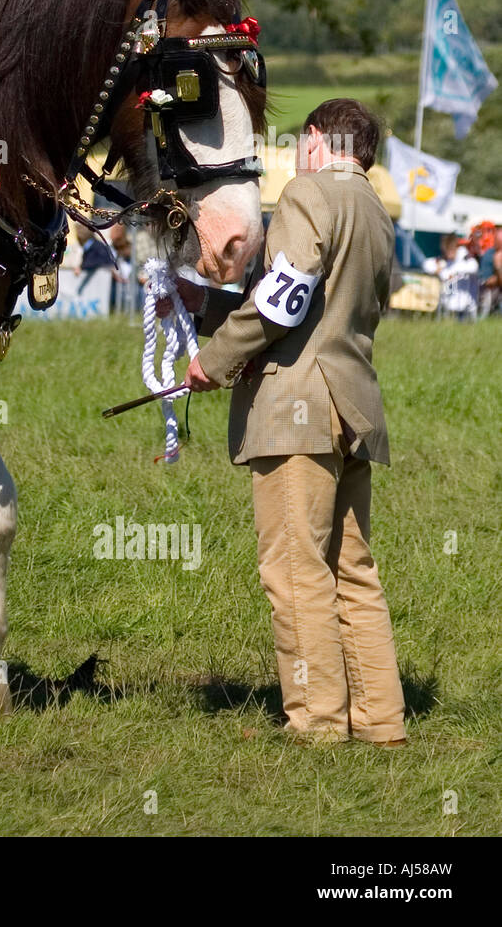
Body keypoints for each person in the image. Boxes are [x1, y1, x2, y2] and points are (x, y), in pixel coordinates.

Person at [182, 99, 405, 747]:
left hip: (297, 410)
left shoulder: (308, 193)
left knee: (296, 569)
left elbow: (285, 294)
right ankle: (380, 718)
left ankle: (316, 720)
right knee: (350, 570)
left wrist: (216, 357)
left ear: (316, 139)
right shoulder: (376, 212)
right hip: (355, 407)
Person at [426, 232, 479, 320]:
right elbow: (427, 264)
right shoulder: (444, 261)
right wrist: (436, 269)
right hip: (447, 306)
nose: (449, 253)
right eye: (446, 250)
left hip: (466, 306)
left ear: (456, 247)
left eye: (451, 249)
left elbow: (474, 267)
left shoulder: (465, 258)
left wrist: (453, 272)